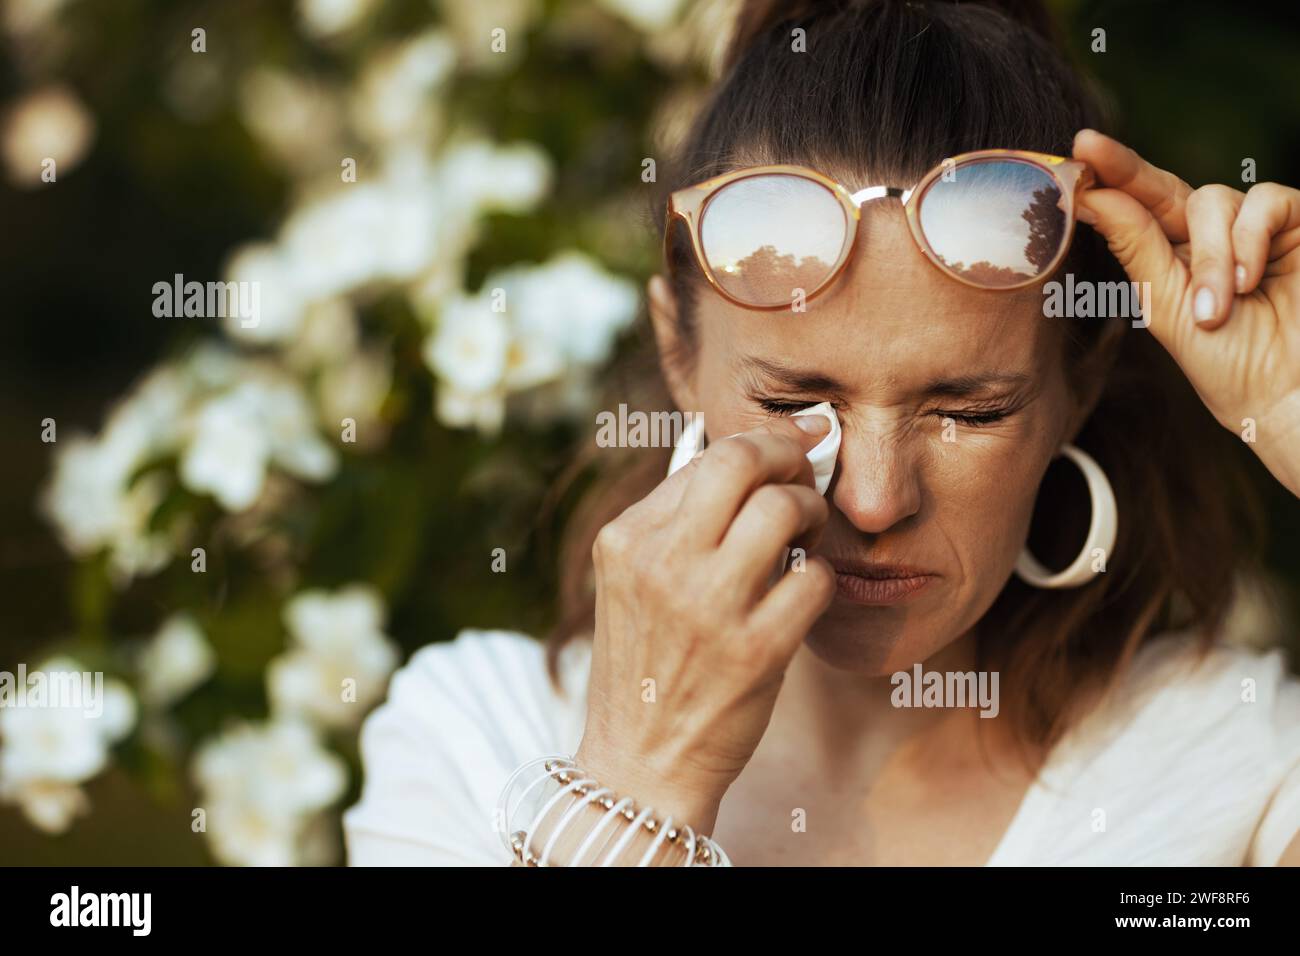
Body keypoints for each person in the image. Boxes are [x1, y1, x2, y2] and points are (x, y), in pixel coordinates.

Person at [343, 0, 1300, 866]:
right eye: (796, 399)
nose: (877, 497)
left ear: (1075, 389)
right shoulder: (479, 739)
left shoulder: (1232, 765)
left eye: (970, 411)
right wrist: (639, 778)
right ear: (680, 354)